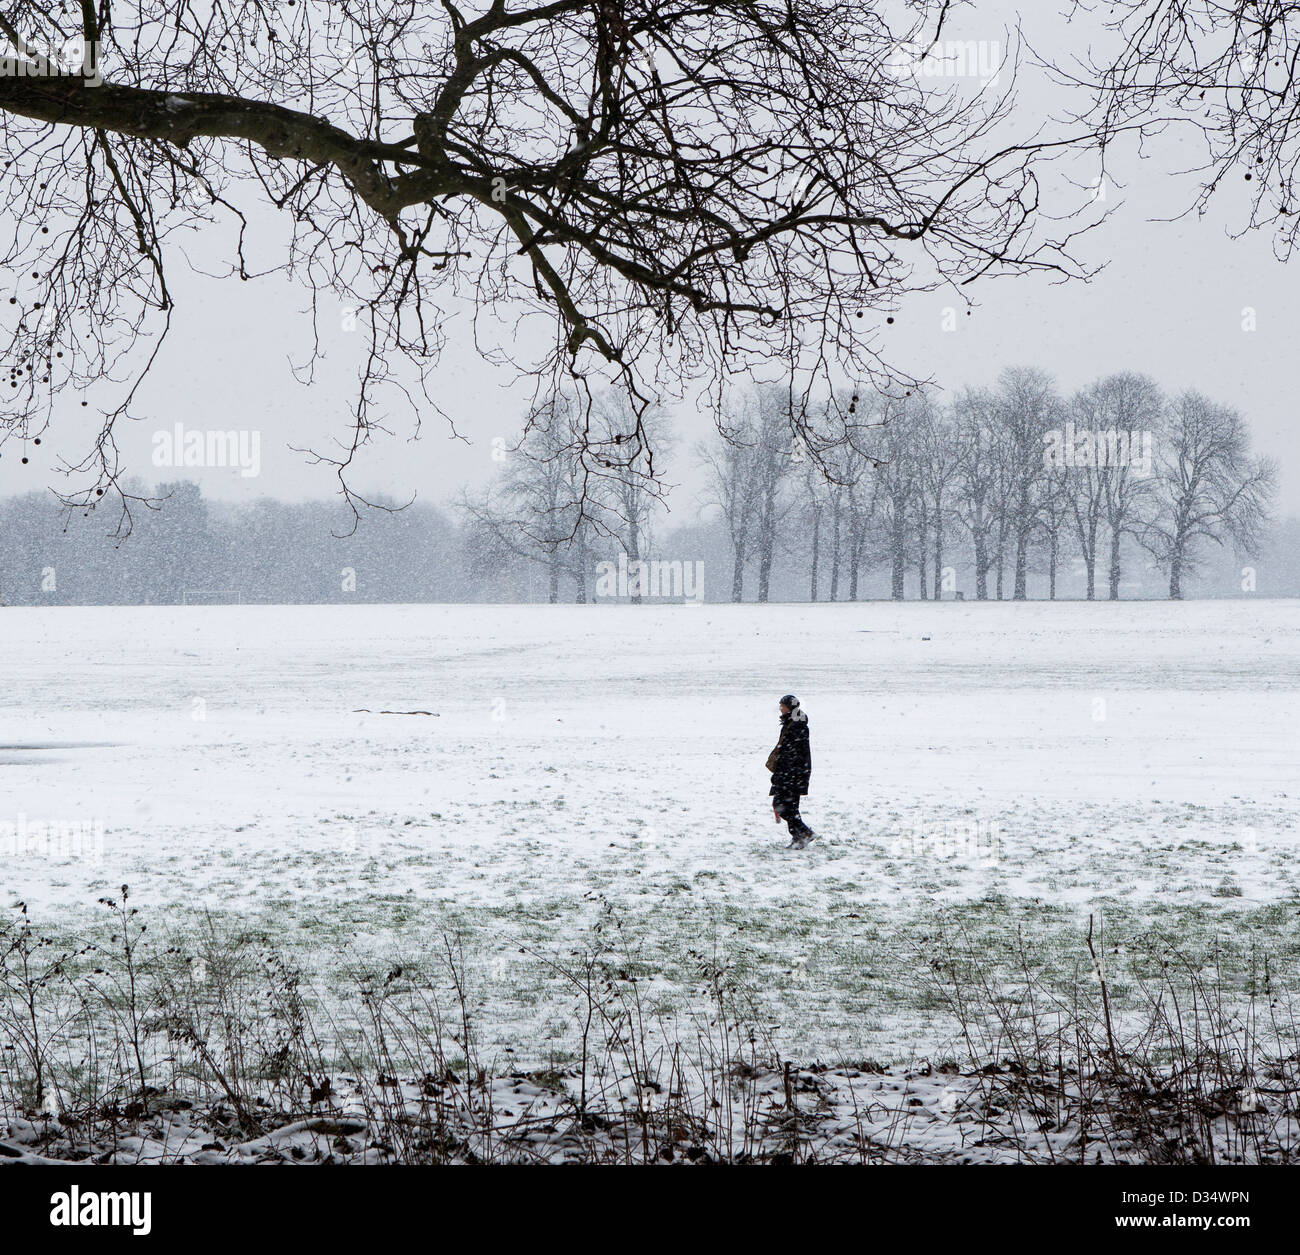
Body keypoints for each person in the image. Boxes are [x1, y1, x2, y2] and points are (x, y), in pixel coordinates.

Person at [766, 694, 815, 849]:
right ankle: (799, 836)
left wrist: (783, 773)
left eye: (783, 706)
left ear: (790, 708)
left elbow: (792, 754)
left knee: (782, 805)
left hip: (792, 774)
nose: (780, 708)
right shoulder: (792, 723)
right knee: (789, 807)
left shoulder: (797, 726)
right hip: (791, 773)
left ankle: (804, 833)